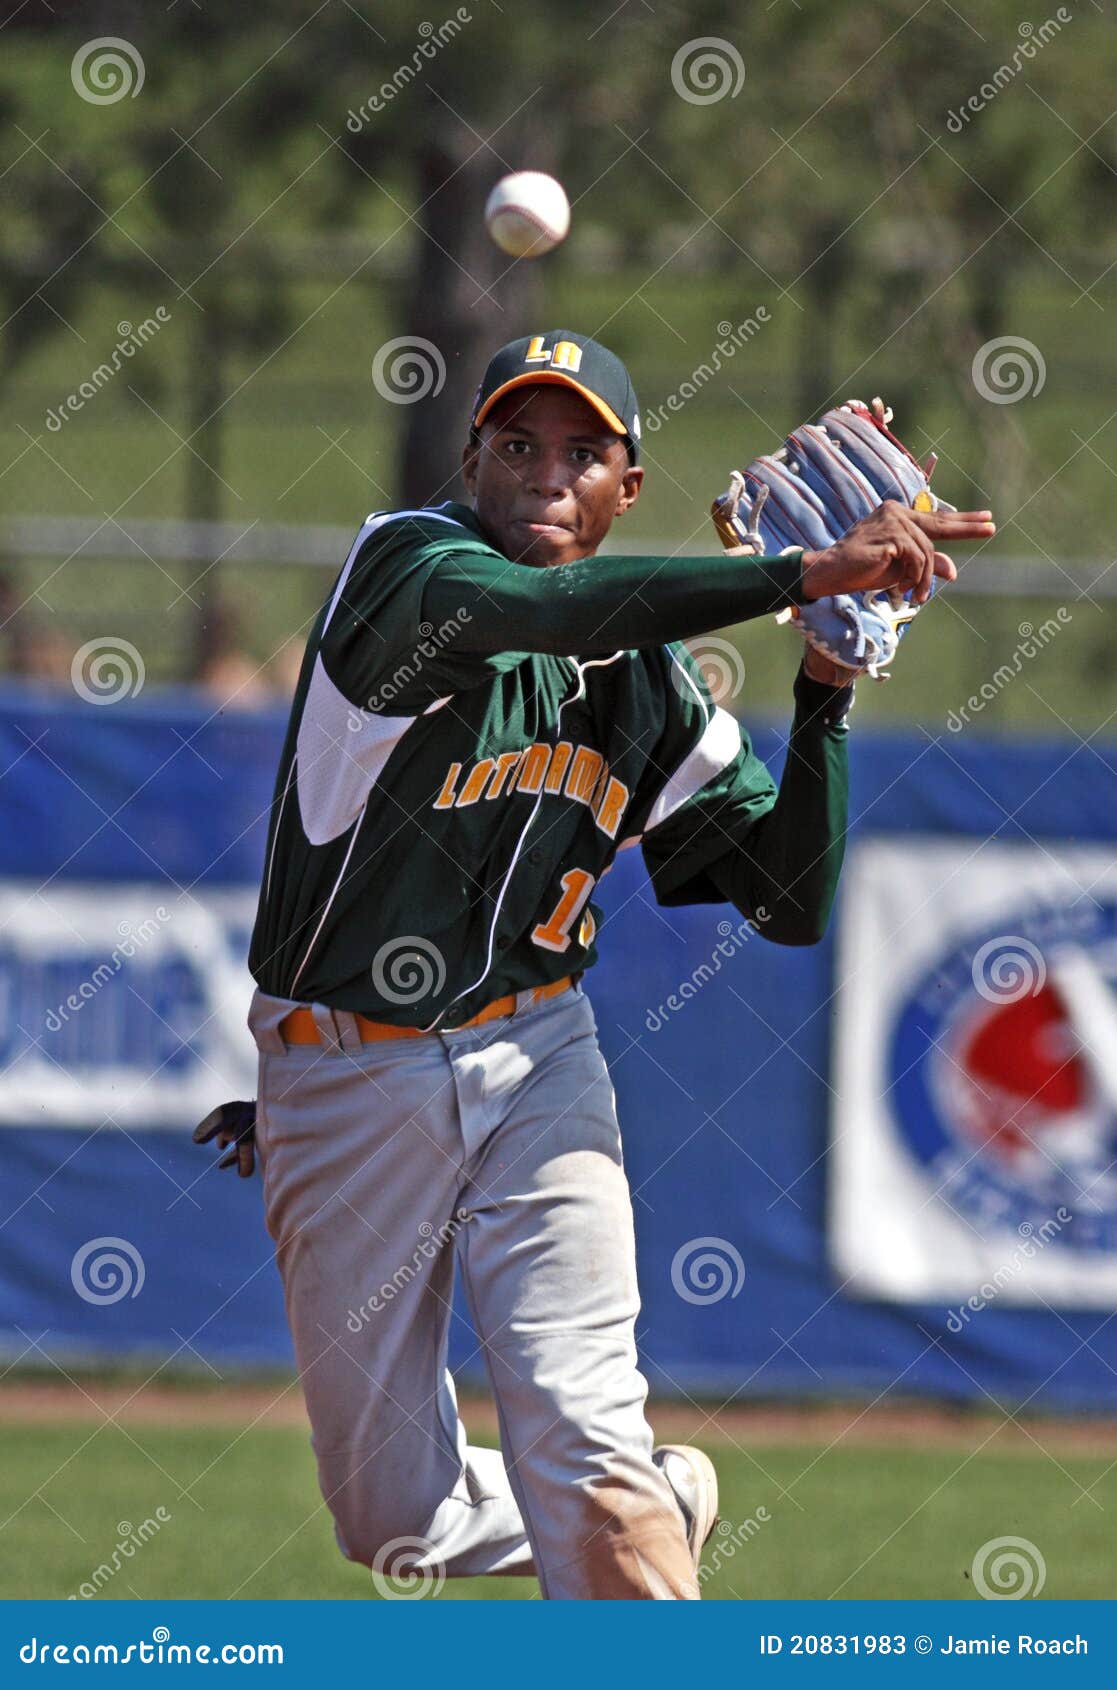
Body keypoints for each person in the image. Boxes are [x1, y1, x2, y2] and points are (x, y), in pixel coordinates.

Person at [195, 330, 994, 1599]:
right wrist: (795, 569)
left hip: (536, 1058)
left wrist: (824, 683)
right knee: (395, 1524)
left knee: (581, 1434)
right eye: (517, 445)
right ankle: (647, 1499)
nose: (546, 475)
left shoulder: (649, 691)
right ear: (470, 460)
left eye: (584, 454)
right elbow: (549, 611)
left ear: (629, 489)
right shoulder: (405, 572)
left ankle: (622, 1511)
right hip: (342, 1075)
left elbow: (785, 902)